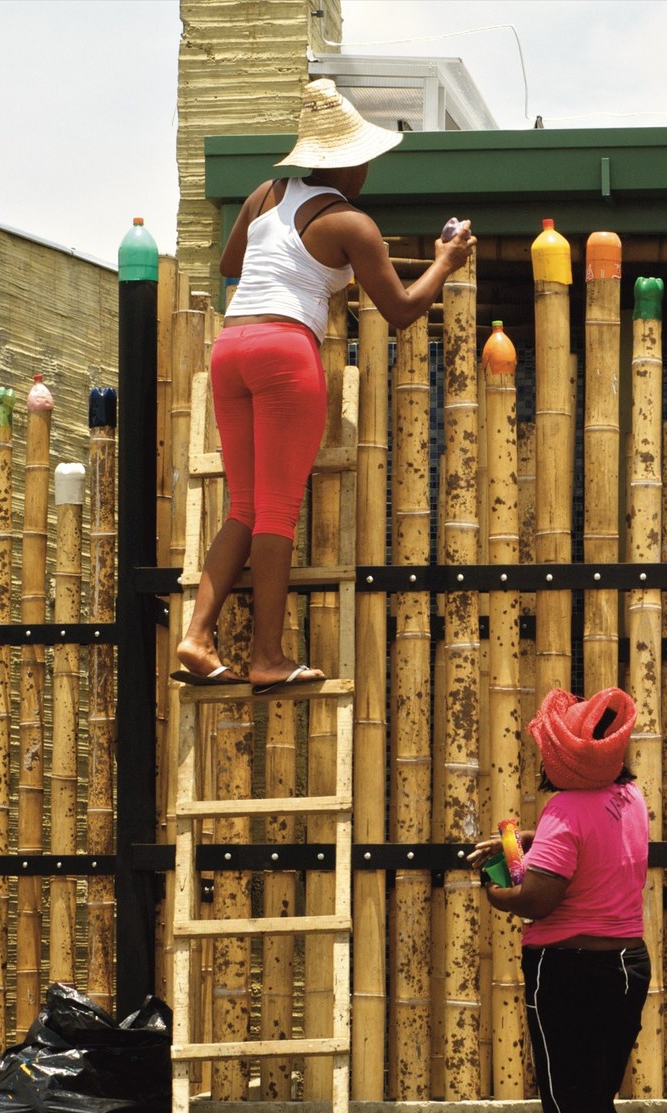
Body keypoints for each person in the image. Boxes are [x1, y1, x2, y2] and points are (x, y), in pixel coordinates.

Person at [174, 78, 474, 693]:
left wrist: (310, 269)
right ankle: (267, 656)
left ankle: (197, 637)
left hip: (231, 347)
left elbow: (233, 266)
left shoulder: (265, 194)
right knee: (277, 511)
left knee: (243, 507)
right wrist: (445, 261)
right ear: (347, 162)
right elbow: (400, 309)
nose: (367, 169)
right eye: (363, 158)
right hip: (284, 352)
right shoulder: (352, 223)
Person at [467, 687, 650, 1113]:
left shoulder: (565, 810)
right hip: (626, 965)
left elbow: (538, 900)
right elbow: (588, 852)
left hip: (570, 972)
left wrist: (494, 887)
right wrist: (526, 845)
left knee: (571, 1112)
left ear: (561, 760)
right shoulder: (629, 797)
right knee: (596, 1107)